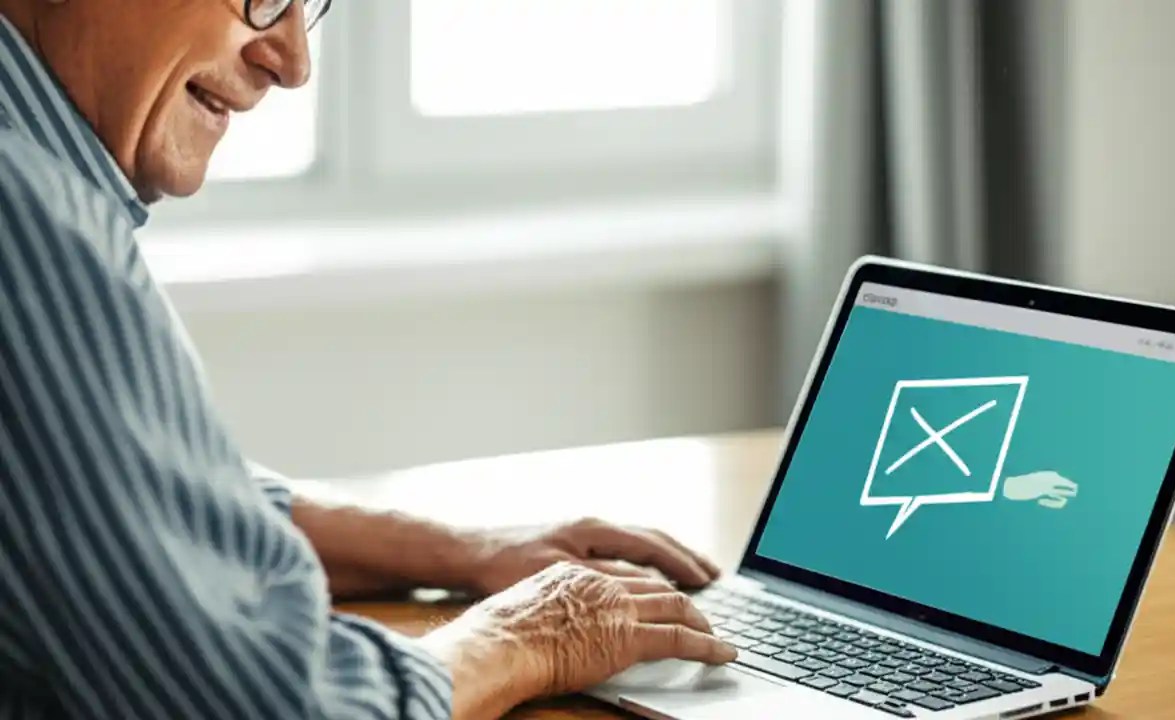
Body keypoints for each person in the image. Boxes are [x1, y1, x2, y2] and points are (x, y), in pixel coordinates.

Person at [0, 1, 736, 718]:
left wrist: (463, 550)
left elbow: (123, 499)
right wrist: (533, 634)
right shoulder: (33, 225)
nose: (293, 63)